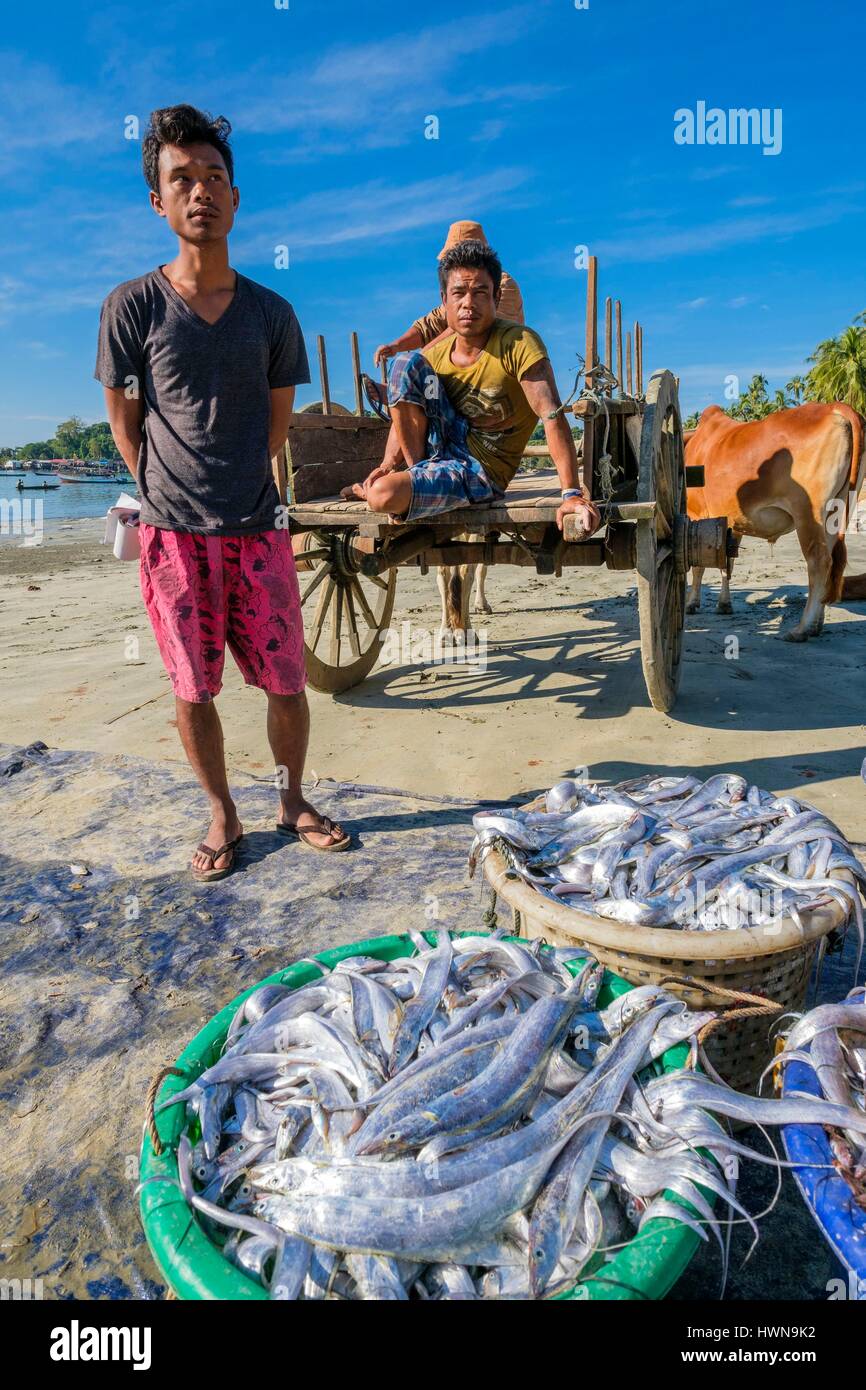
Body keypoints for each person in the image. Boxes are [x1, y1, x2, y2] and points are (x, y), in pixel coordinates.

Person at [95, 104, 350, 882]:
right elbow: (125, 424)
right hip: (173, 538)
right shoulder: (132, 308)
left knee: (286, 681)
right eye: (182, 179)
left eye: (214, 178)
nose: (200, 192)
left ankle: (291, 798)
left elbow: (276, 427)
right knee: (191, 686)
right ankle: (221, 811)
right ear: (159, 203)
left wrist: (237, 489)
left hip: (259, 530)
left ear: (236, 199)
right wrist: (170, 497)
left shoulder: (272, 315)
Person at [343, 239, 599, 539]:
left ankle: (392, 487)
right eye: (459, 293)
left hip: (479, 472)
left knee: (382, 496)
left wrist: (570, 493)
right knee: (405, 363)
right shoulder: (435, 356)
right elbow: (405, 405)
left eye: (480, 293)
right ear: (444, 300)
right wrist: (388, 463)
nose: (468, 303)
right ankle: (415, 474)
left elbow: (552, 415)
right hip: (439, 452)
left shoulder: (519, 343)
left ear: (496, 296)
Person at [373, 220, 524, 368]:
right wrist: (395, 346)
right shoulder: (460, 289)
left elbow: (465, 330)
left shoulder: (500, 285)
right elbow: (431, 324)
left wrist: (416, 363)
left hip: (497, 368)